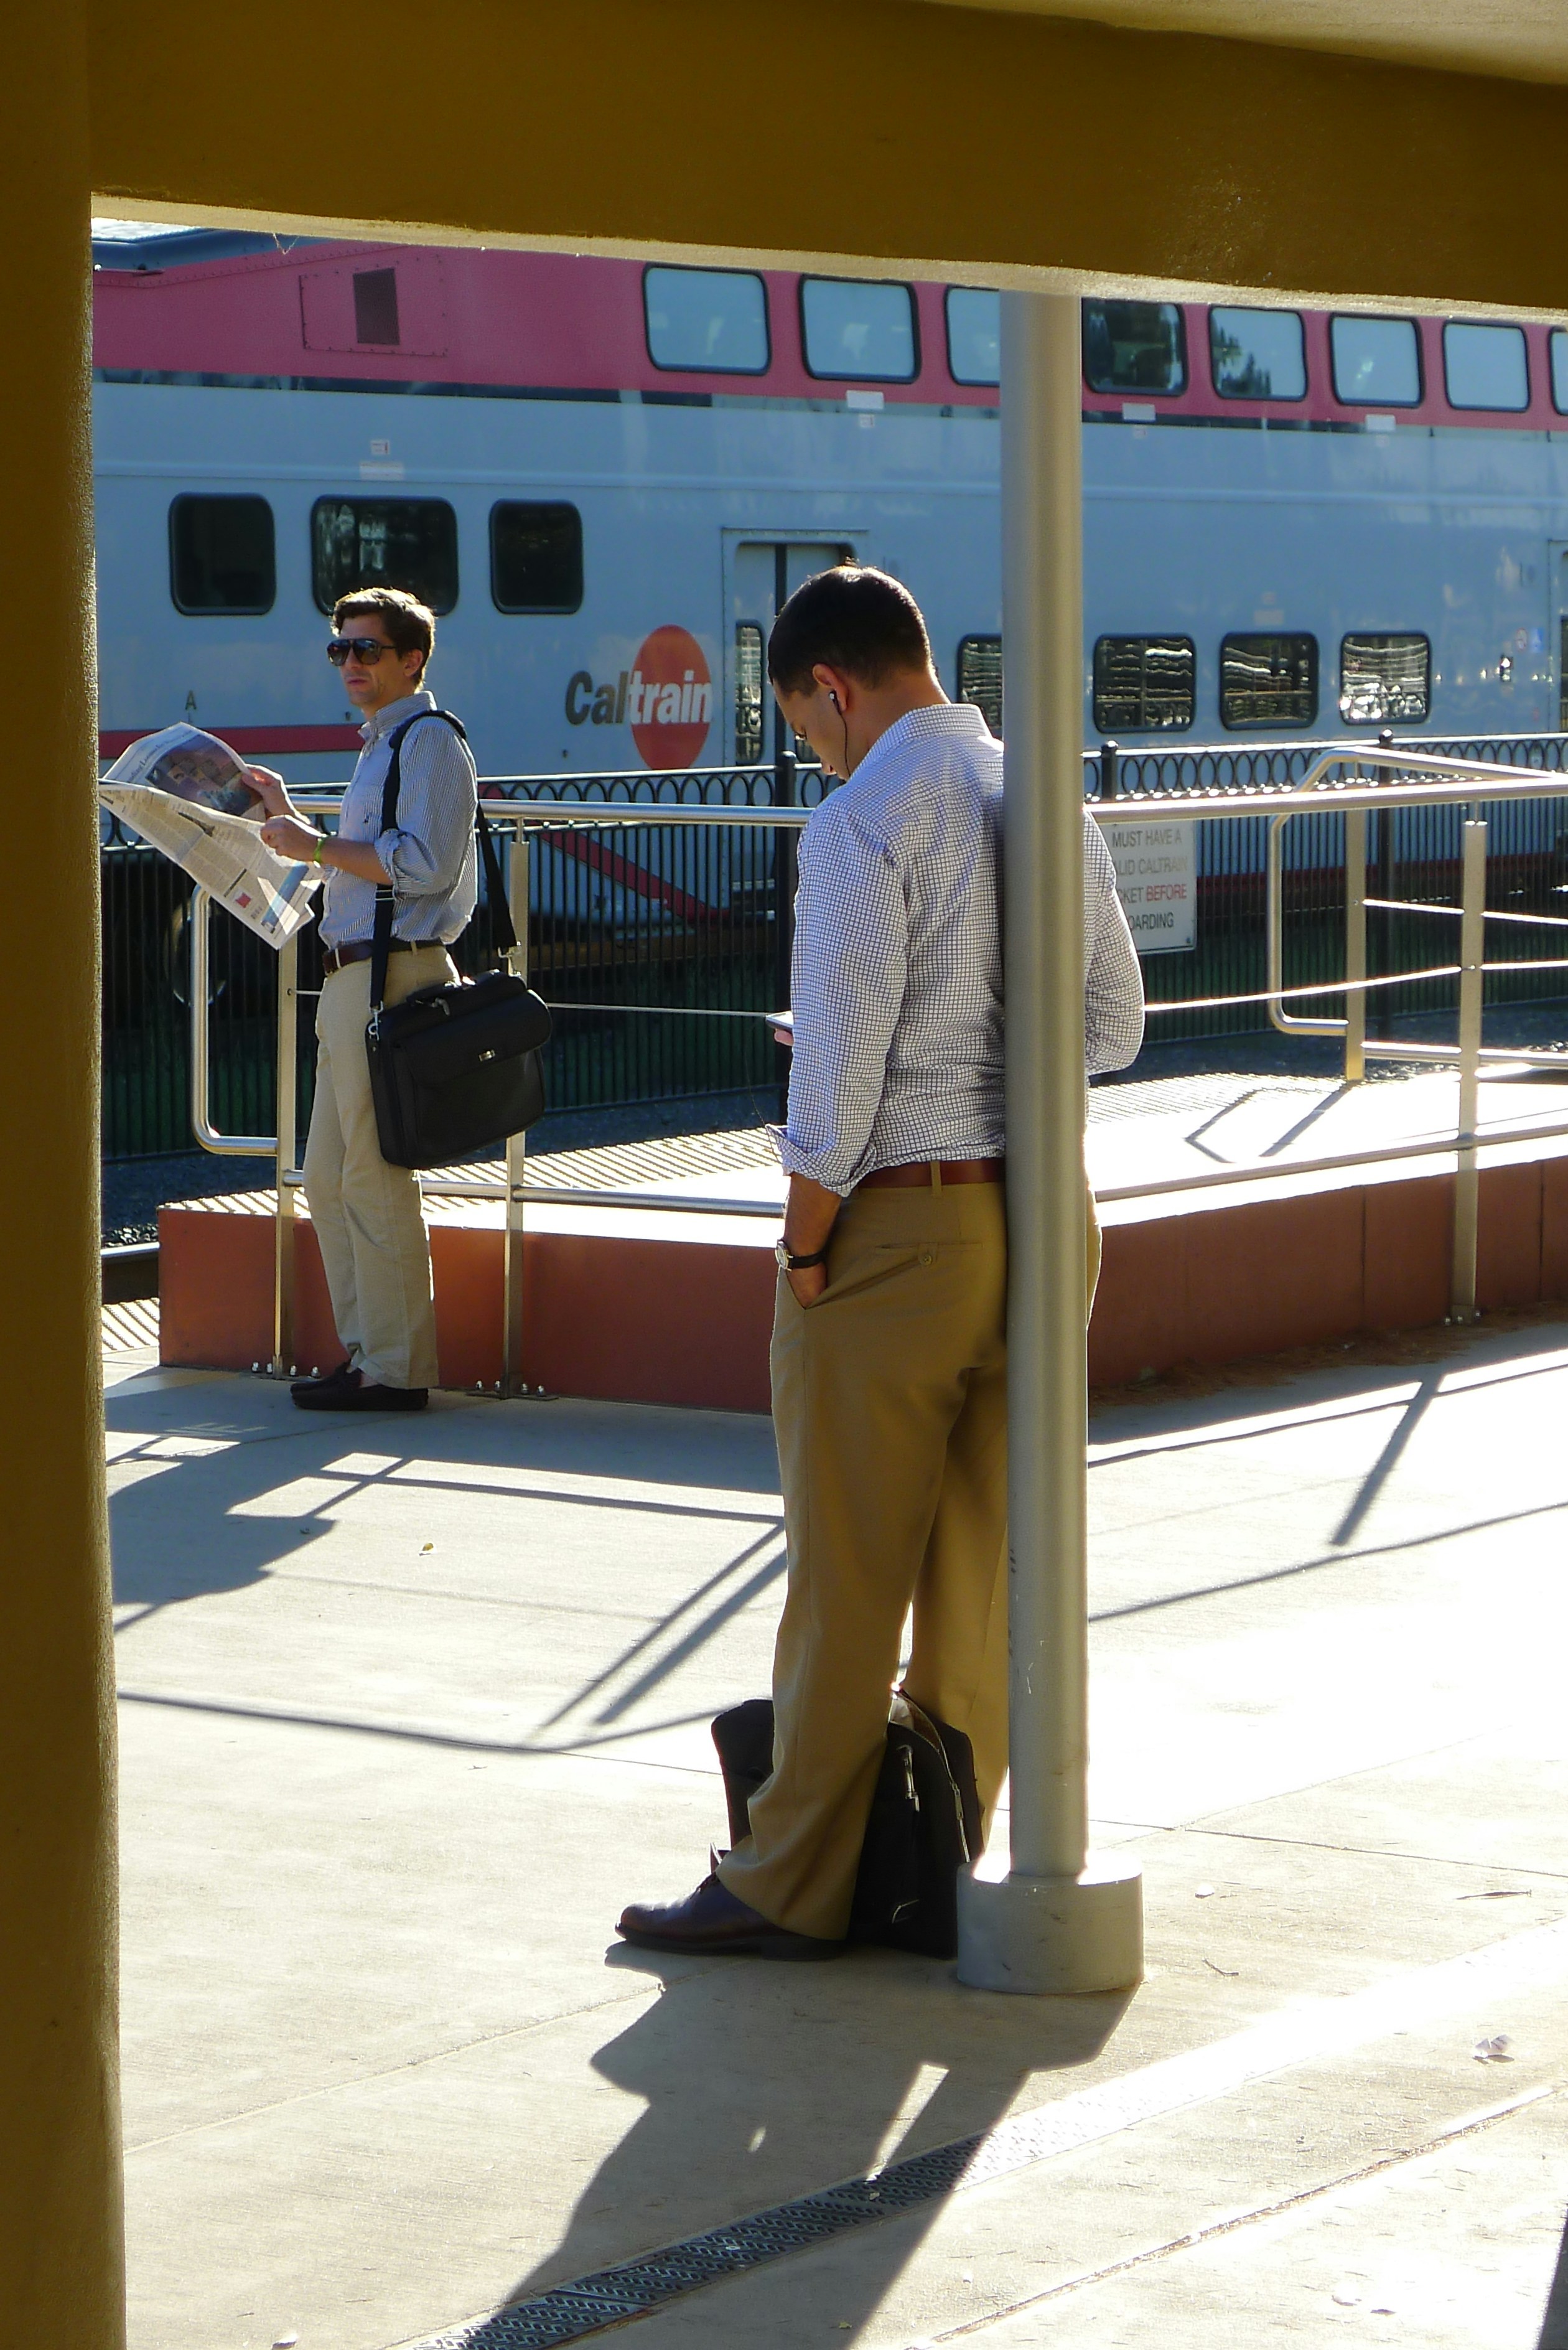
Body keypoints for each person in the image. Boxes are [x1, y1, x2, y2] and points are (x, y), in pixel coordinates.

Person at [618, 564, 1143, 1958]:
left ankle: (787, 1879)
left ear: (830, 689)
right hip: (1039, 1214)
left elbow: (837, 1084)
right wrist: (984, 1067)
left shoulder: (862, 819)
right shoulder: (1039, 791)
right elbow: (1115, 1023)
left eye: (804, 725)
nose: (812, 749)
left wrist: (802, 1249)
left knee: (847, 1573)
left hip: (898, 1234)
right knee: (979, 1562)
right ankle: (930, 1858)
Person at [251, 586, 478, 1412]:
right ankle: (370, 1354)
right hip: (354, 979)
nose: (350, 662)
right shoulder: (384, 744)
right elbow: (366, 867)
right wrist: (289, 822)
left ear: (412, 659)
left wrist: (312, 843)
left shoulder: (428, 742)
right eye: (340, 649)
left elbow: (424, 867)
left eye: (367, 650)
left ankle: (396, 1367)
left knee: (375, 1180)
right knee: (328, 1176)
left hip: (392, 978)